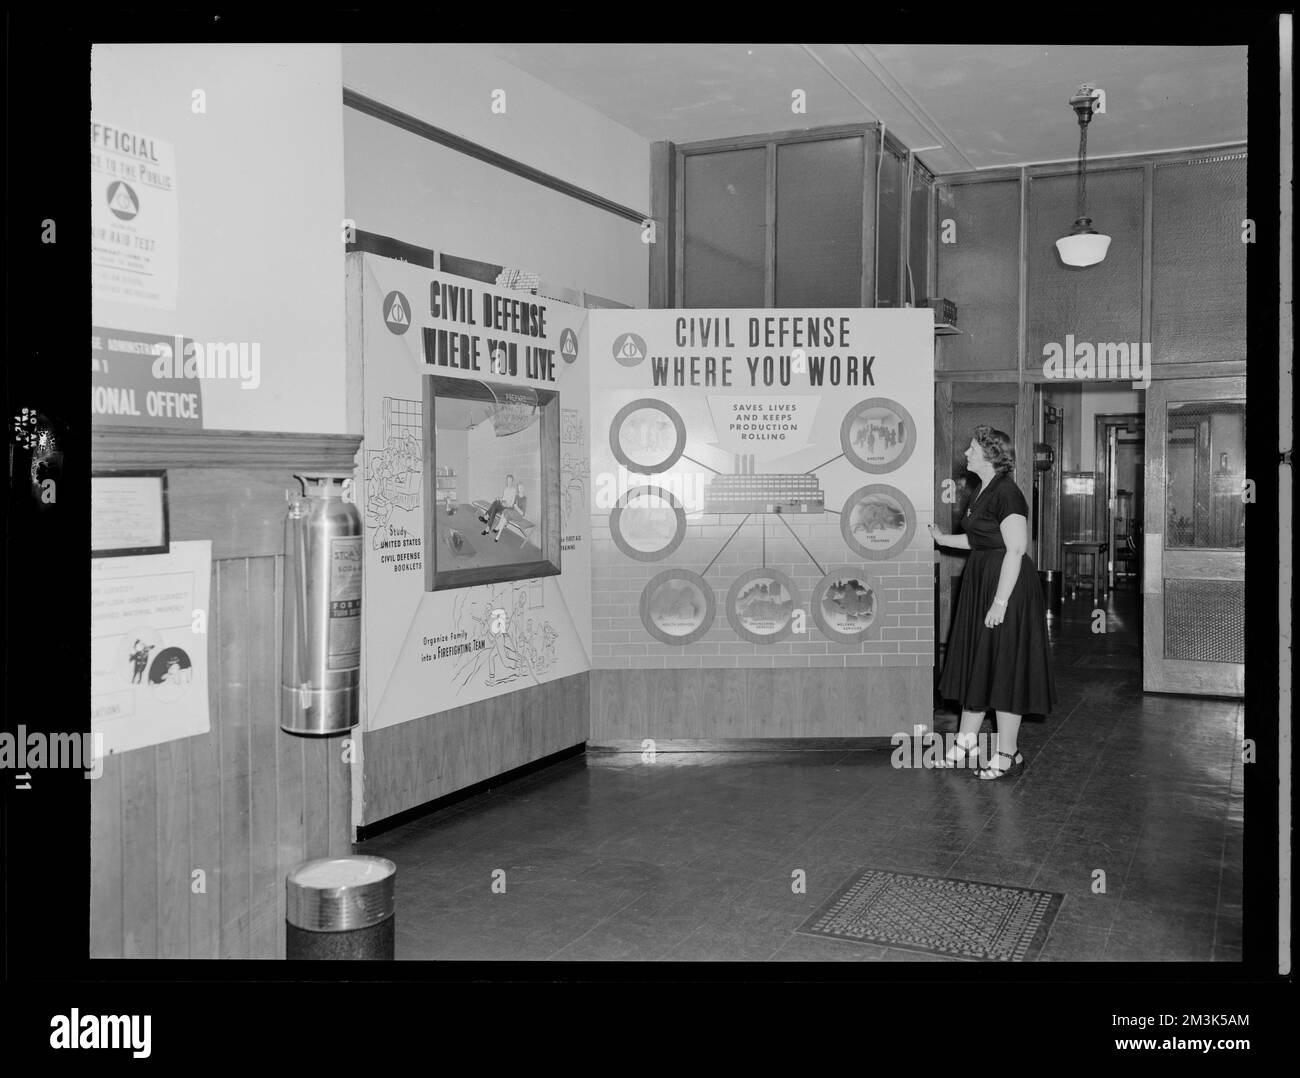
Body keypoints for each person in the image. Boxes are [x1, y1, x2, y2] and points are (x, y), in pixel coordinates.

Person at [928, 426, 1056, 779]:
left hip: (1007, 587)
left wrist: (1000, 603)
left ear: (989, 454)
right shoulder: (980, 490)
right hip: (982, 579)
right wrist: (941, 540)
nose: (966, 453)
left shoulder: (1008, 493)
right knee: (978, 661)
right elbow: (980, 541)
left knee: (1004, 667)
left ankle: (1008, 753)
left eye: (971, 448)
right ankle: (966, 742)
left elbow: (1016, 549)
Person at [480, 473, 517, 541]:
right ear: (506, 481)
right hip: (502, 506)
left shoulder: (514, 490)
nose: (509, 482)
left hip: (507, 508)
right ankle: (487, 528)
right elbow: (503, 498)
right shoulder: (505, 488)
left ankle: (486, 517)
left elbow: (511, 504)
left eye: (510, 481)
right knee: (494, 506)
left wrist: (506, 504)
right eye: (508, 481)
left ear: (512, 482)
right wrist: (499, 498)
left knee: (495, 504)